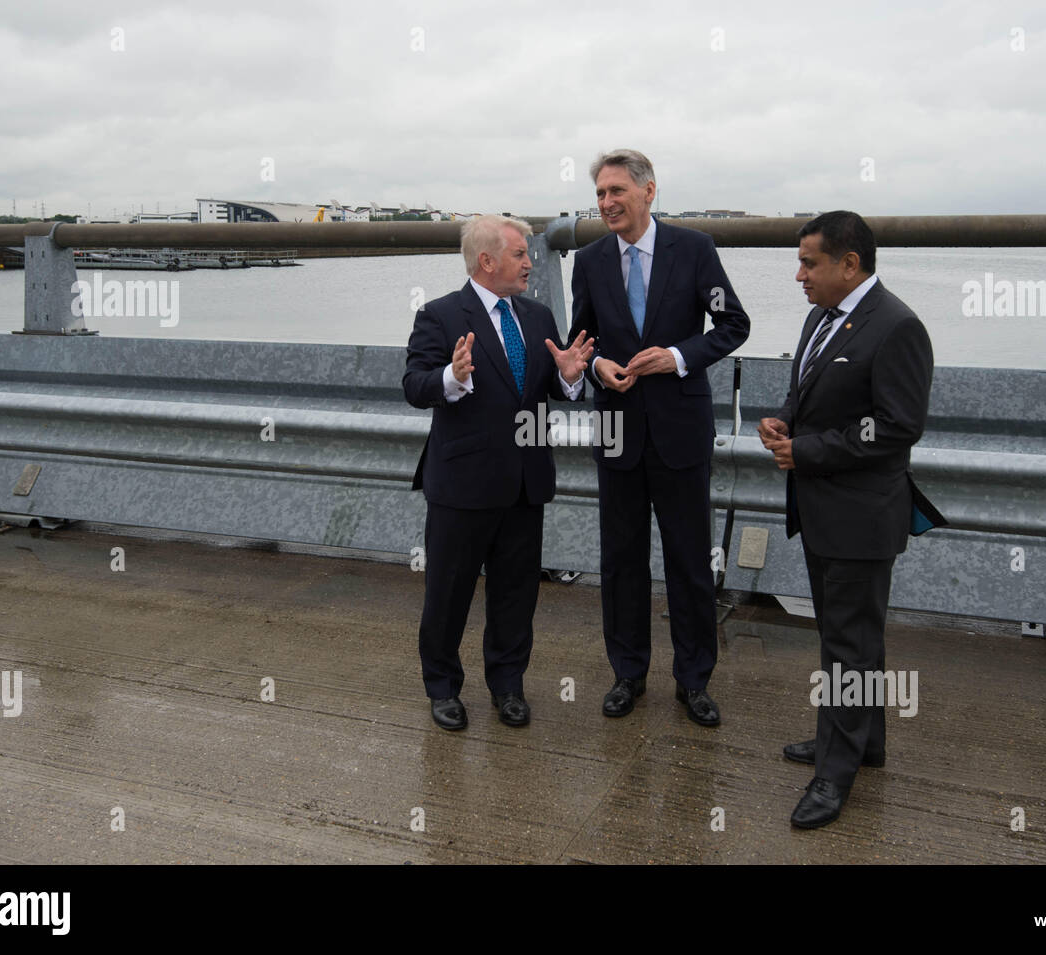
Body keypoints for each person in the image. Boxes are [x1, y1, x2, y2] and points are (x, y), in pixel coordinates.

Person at [758, 210, 945, 828]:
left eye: (809, 262)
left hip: (861, 517)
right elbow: (812, 390)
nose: (799, 275)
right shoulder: (822, 316)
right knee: (851, 640)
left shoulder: (896, 328)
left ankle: (833, 777)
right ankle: (864, 742)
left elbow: (896, 427)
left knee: (849, 646)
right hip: (821, 511)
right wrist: (785, 419)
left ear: (850, 264)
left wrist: (807, 451)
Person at [569, 149, 750, 726]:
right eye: (599, 194)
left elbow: (732, 325)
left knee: (689, 562)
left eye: (617, 191)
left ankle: (694, 680)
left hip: (679, 430)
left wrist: (676, 357)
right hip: (617, 428)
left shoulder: (694, 251)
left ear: (649, 191)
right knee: (621, 560)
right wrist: (596, 368)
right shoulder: (591, 259)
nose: (606, 203)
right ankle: (628, 673)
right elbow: (582, 339)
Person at [403, 215, 593, 730]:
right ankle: (442, 688)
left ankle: (508, 687)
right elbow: (415, 386)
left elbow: (553, 386)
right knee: (448, 594)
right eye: (520, 254)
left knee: (516, 594)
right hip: (462, 485)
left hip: (525, 483)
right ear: (487, 261)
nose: (531, 262)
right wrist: (452, 375)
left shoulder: (536, 316)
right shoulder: (439, 316)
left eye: (530, 253)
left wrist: (571, 378)